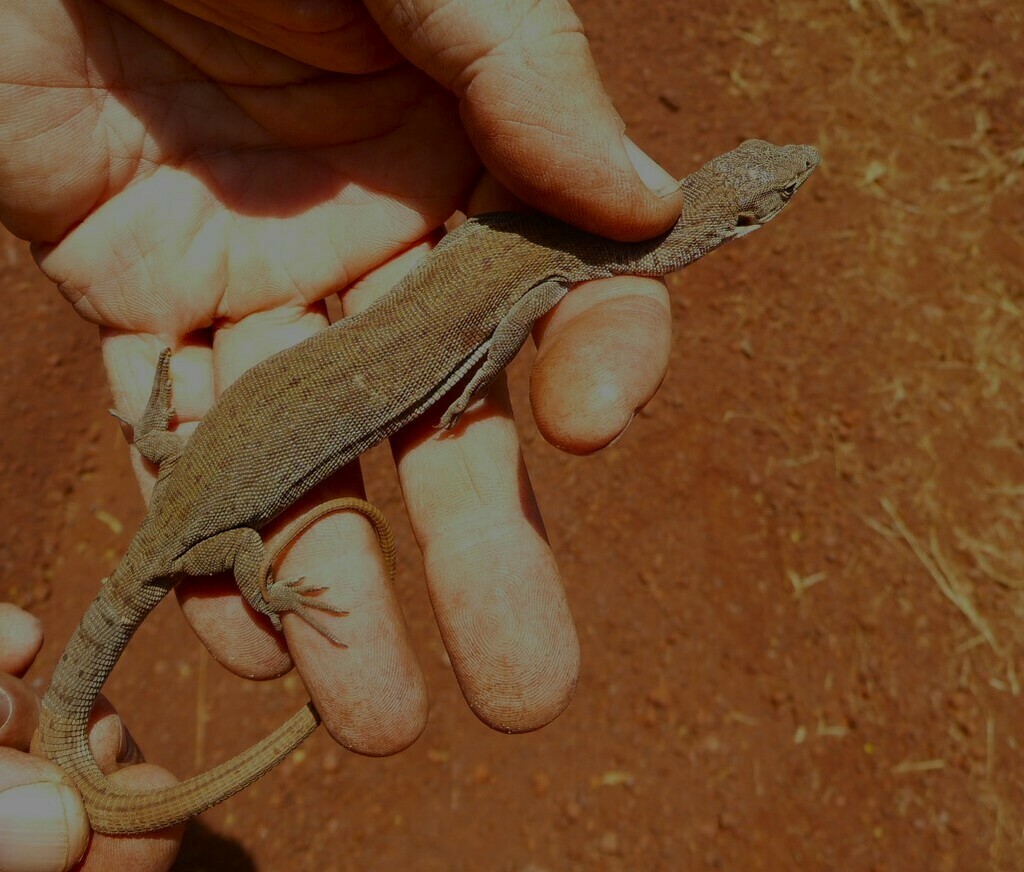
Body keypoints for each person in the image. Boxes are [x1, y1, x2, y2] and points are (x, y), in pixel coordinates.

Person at [0, 1, 684, 868]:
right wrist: (272, 593)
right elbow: (240, 544)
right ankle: (266, 604)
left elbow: (198, 482)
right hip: (201, 526)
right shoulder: (211, 547)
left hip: (188, 489)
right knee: (250, 544)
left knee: (214, 493)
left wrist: (160, 438)